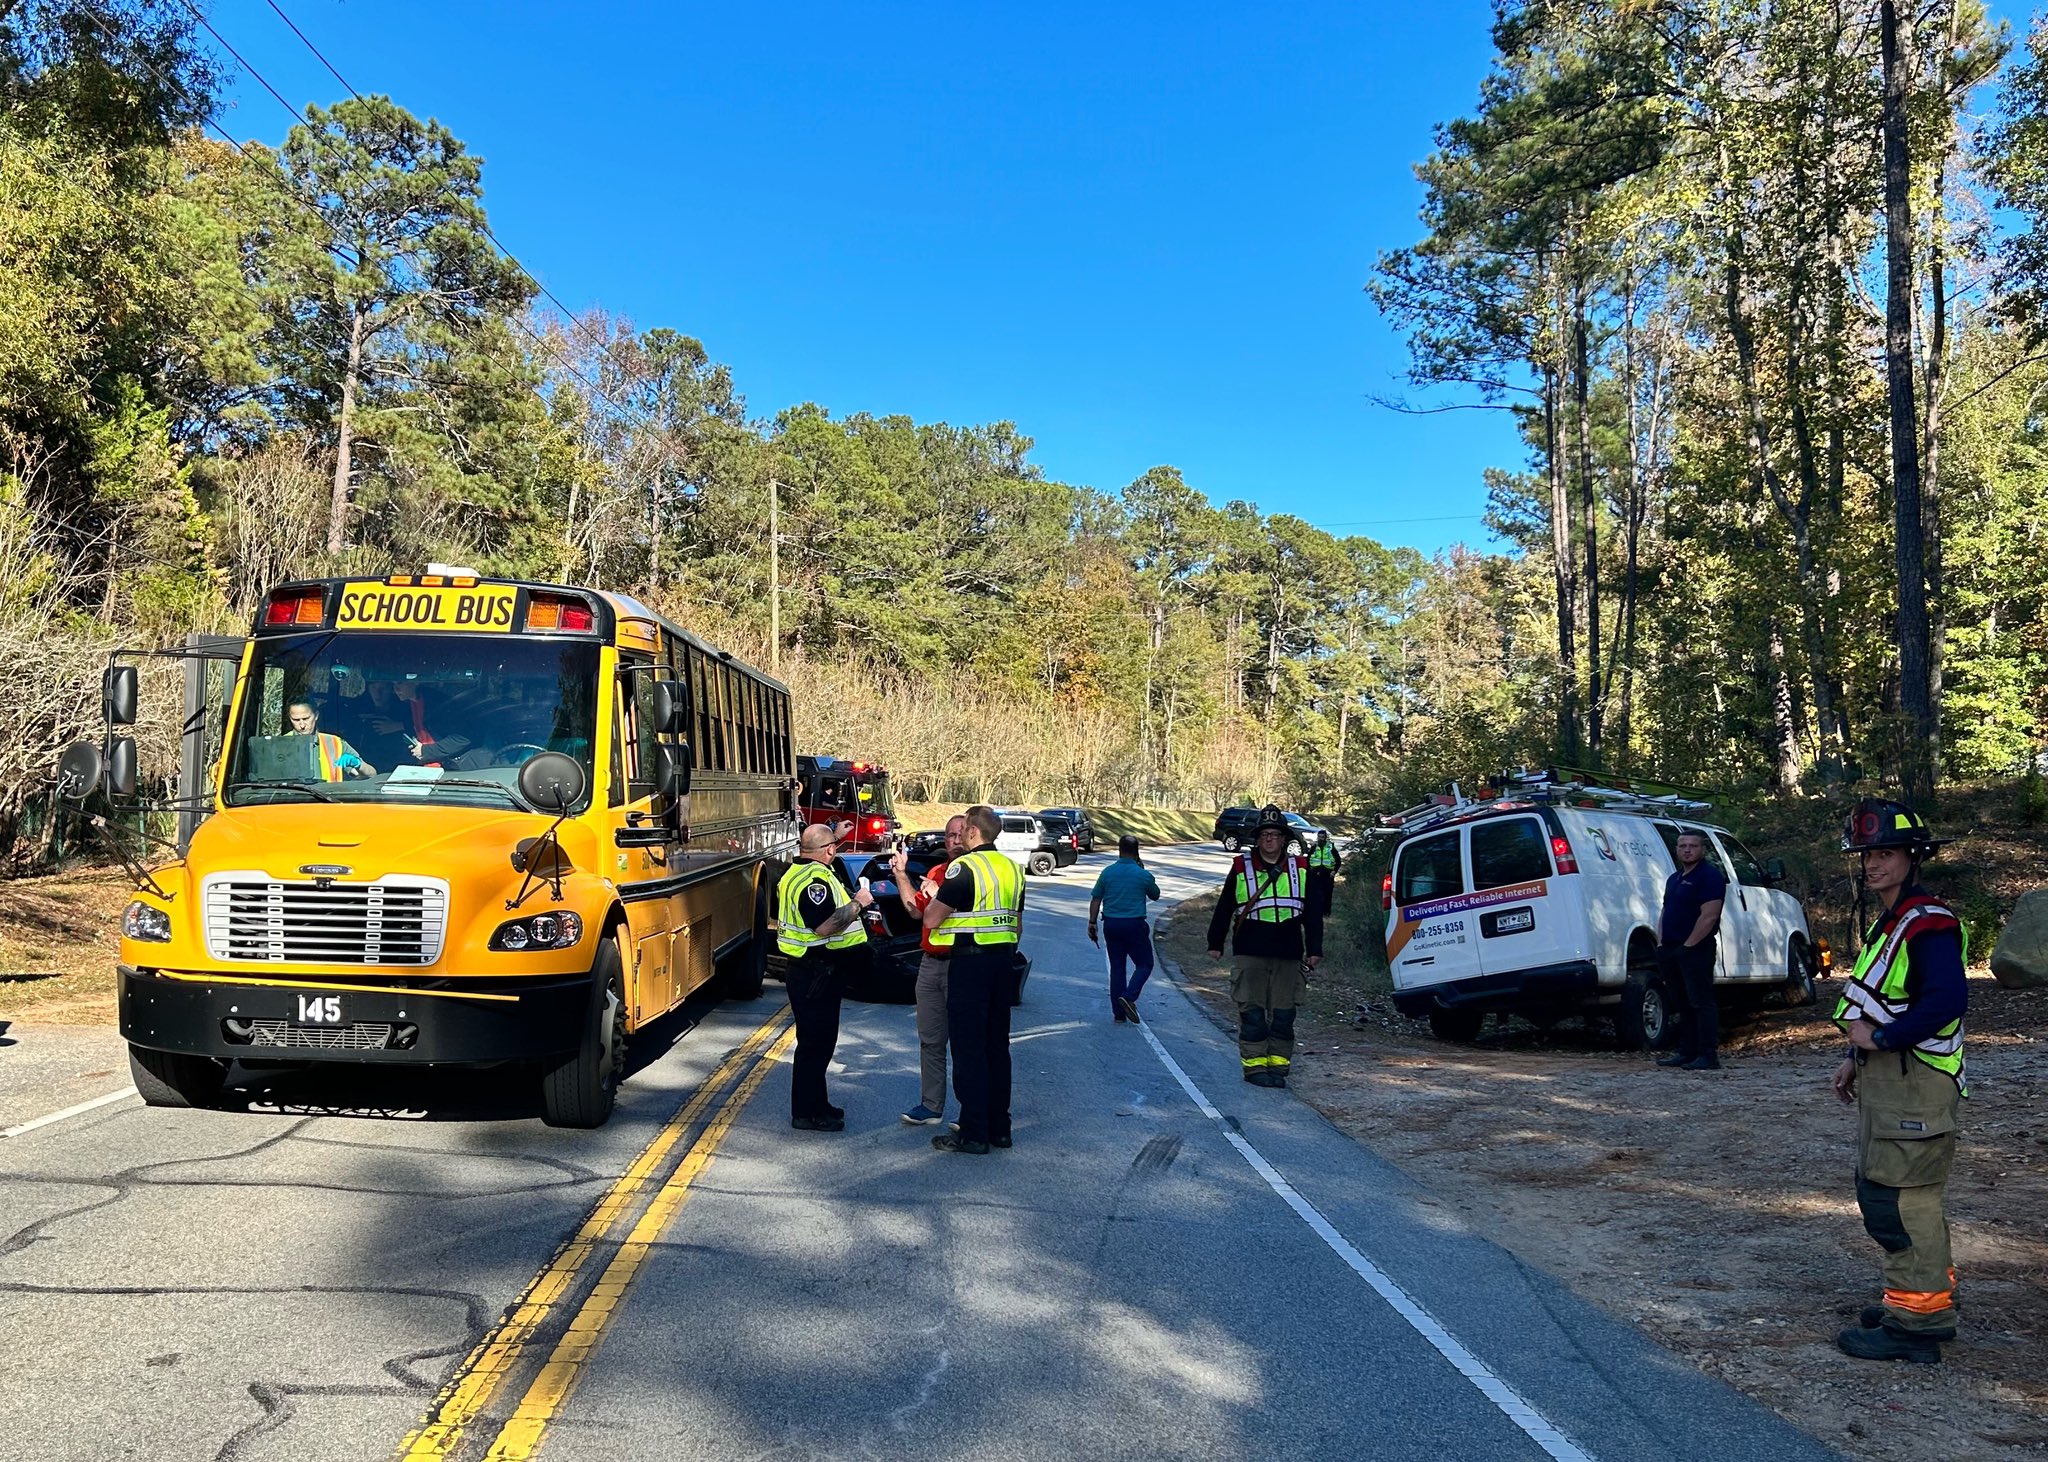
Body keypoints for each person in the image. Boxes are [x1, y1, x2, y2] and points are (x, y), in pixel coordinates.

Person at [1830, 798, 1968, 1364]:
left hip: (1916, 1083)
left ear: (1913, 857)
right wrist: (1852, 1056)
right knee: (1887, 1192)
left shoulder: (1926, 921)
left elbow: (1947, 999)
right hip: (1890, 1082)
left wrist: (1881, 1042)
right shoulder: (1893, 920)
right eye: (1867, 854)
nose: (1872, 864)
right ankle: (1912, 1298)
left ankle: (1917, 1323)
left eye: (1885, 852)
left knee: (1901, 1203)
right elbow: (1881, 1001)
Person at [922, 805, 1025, 1154]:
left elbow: (932, 920)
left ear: (972, 832)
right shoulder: (1012, 869)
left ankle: (973, 1131)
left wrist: (933, 897)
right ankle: (1000, 1128)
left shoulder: (963, 867)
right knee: (997, 1046)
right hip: (1002, 962)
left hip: (970, 965)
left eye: (964, 828)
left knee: (968, 1049)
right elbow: (1017, 923)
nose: (960, 833)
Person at [1206, 804, 1322, 1088]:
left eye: (1275, 834)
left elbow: (1313, 913)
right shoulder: (1241, 867)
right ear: (1257, 839)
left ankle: (1279, 1067)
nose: (1269, 839)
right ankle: (1255, 1068)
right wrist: (1215, 942)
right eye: (1264, 835)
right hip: (1250, 951)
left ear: (1284, 839)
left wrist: (1315, 948)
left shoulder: (1302, 869)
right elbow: (1224, 907)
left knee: (1284, 1015)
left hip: (1288, 952)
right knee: (1253, 1013)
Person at [775, 818, 875, 1132]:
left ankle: (818, 1103)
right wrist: (858, 904)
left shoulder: (796, 871)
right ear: (829, 851)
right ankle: (807, 1113)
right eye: (834, 847)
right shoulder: (814, 882)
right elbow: (825, 925)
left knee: (817, 1043)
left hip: (808, 972)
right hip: (815, 974)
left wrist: (836, 838)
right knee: (815, 1047)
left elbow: (819, 848)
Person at [890, 814, 967, 1125]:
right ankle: (931, 1106)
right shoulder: (937, 870)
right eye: (950, 835)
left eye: (961, 834)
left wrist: (939, 895)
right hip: (930, 964)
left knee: (964, 1041)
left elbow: (960, 914)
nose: (956, 840)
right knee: (930, 1039)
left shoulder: (973, 873)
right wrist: (900, 874)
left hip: (962, 964)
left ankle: (969, 1111)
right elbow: (914, 910)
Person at [1654, 830, 1728, 1071]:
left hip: (1696, 949)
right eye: (1682, 845)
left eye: (1693, 846)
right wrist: (1661, 943)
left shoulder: (1709, 876)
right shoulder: (1673, 878)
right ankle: (1687, 1052)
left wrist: (1688, 946)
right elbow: (1666, 911)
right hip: (1671, 949)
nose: (1687, 850)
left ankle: (1708, 1055)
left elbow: (1709, 916)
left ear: (1702, 849)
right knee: (1682, 1002)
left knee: (1701, 1002)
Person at [1088, 834, 1160, 1023]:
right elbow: (1155, 895)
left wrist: (1092, 922)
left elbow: (1096, 898)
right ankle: (1128, 997)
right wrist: (1143, 870)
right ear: (1137, 852)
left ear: (1119, 850)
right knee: (1145, 964)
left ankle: (1119, 1013)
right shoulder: (1142, 874)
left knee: (1117, 968)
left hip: (1111, 925)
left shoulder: (1107, 872)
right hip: (1134, 925)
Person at [286, 701, 374, 781]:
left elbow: (372, 774)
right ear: (290, 718)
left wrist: (357, 764)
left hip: (330, 797)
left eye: (306, 719)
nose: (302, 725)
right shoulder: (280, 745)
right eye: (296, 720)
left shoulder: (335, 743)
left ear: (316, 715)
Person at [1307, 830, 1342, 920]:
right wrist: (1309, 871)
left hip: (1327, 873)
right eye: (1320, 837)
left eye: (1323, 837)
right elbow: (1307, 859)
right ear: (1317, 837)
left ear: (1325, 838)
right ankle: (1316, 911)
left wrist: (1334, 871)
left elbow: (1338, 861)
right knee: (1315, 893)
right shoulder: (1314, 847)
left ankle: (1326, 912)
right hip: (1315, 873)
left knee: (1327, 893)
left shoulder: (1330, 847)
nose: (1321, 839)